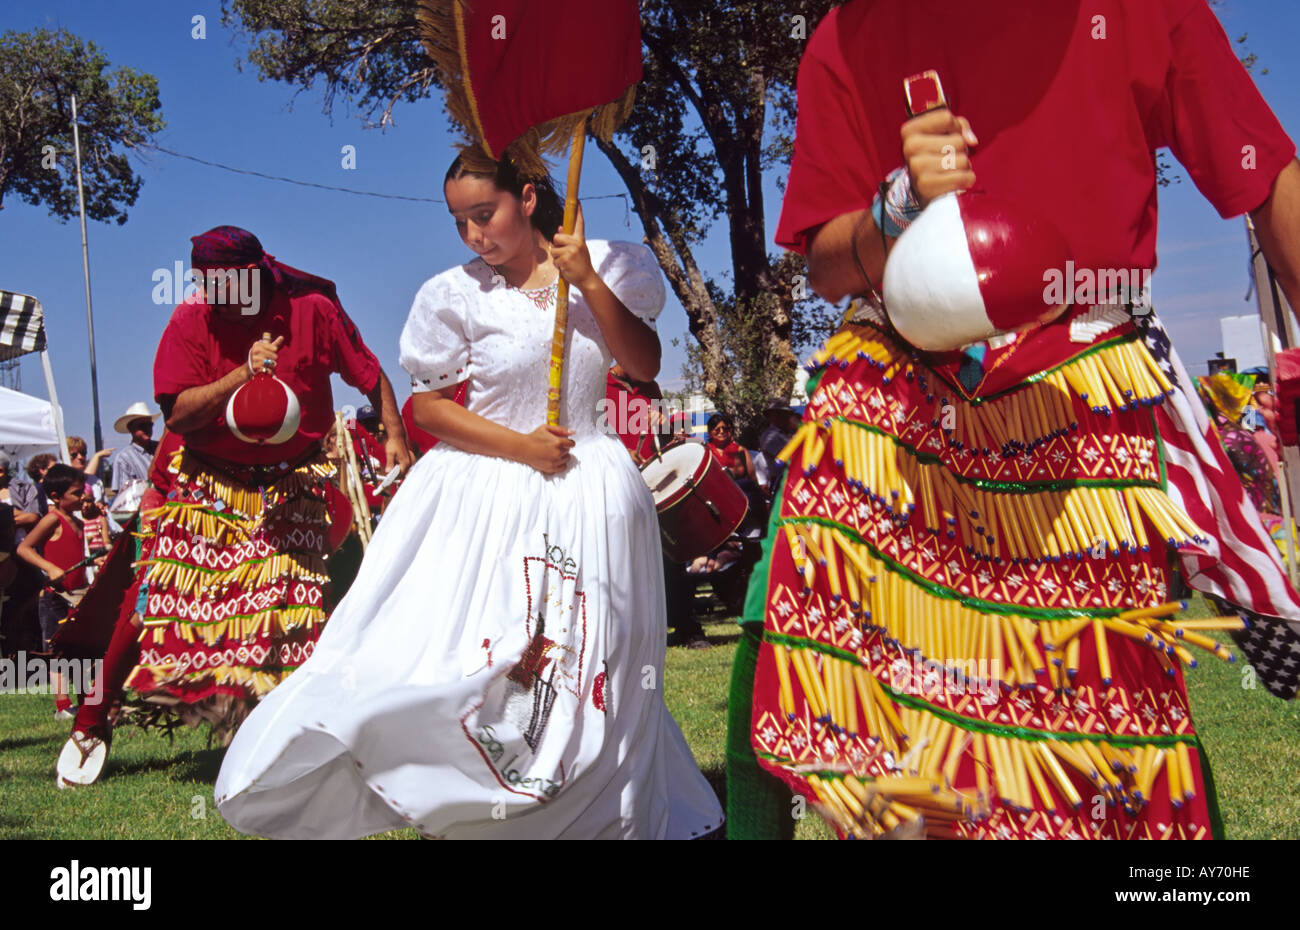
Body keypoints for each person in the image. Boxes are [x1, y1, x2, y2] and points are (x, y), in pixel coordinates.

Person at [728, 0, 1300, 841]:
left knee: (1114, 729)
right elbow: (824, 262)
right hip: (901, 419)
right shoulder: (846, 41)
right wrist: (895, 205)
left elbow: (1265, 176)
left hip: (1085, 410)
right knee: (911, 750)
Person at [214, 155, 724, 839]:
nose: (473, 235)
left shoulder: (604, 264)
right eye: (460, 221)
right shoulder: (452, 294)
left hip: (590, 491)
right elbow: (426, 409)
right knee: (488, 656)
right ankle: (481, 792)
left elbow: (643, 364)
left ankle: (600, 798)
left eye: (485, 214)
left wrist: (587, 282)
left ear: (528, 198)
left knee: (590, 654)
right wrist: (521, 448)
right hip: (487, 490)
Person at [53, 225, 413, 788]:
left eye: (230, 284)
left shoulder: (311, 311)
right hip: (204, 480)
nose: (217, 296)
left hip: (289, 483)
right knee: (153, 597)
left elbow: (370, 375)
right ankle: (92, 719)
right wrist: (243, 372)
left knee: (296, 608)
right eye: (207, 285)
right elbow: (178, 415)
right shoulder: (190, 320)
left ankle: (300, 729)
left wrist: (394, 432)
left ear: (257, 273)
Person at [16, 464, 105, 718]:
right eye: (76, 494)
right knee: (56, 652)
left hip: (76, 595)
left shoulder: (75, 521)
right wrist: (49, 568)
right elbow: (24, 548)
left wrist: (91, 561)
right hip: (55, 597)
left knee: (78, 649)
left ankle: (85, 700)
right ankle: (62, 706)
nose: (81, 498)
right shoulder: (52, 519)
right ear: (56, 497)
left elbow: (72, 555)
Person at [109, 402, 160, 497]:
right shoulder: (123, 458)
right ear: (130, 428)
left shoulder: (160, 447)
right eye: (142, 426)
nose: (147, 429)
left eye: (149, 425)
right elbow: (123, 495)